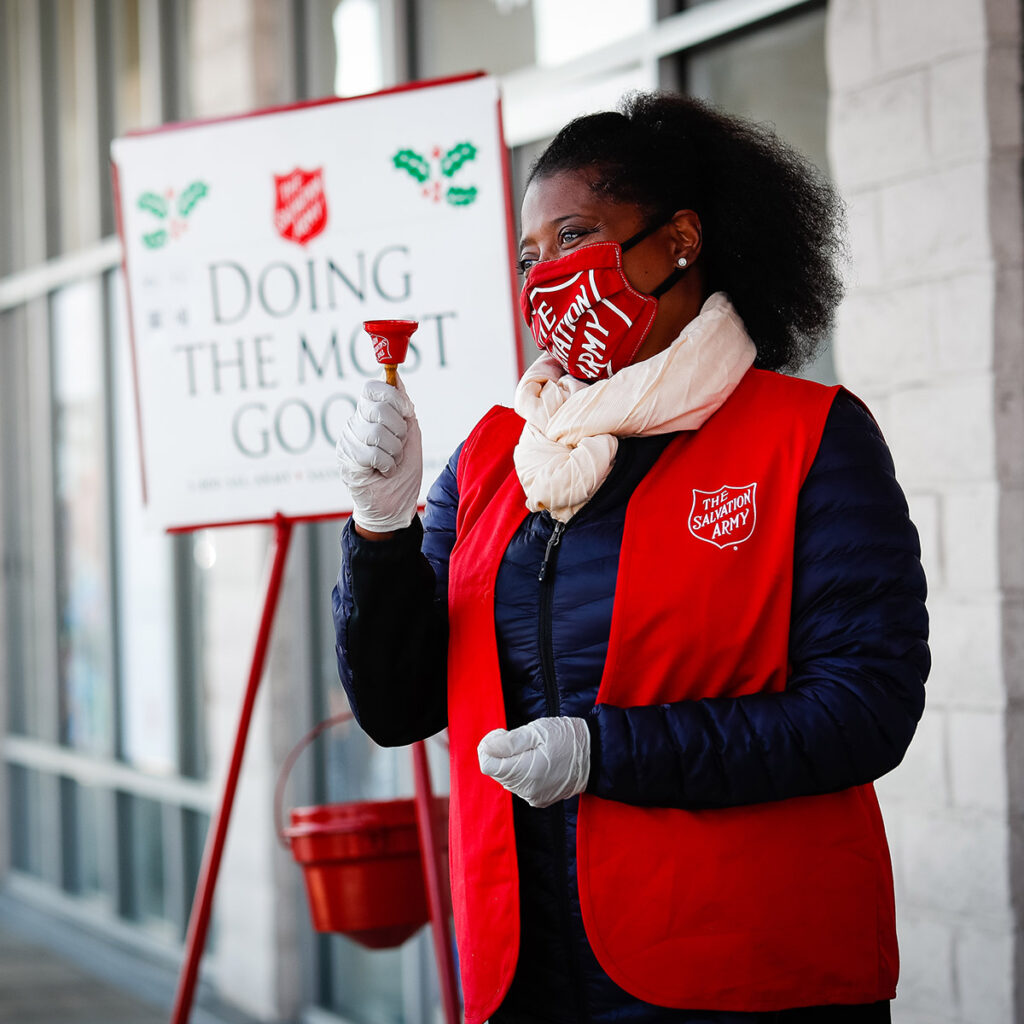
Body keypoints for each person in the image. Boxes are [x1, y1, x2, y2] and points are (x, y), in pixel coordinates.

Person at [332, 91, 929, 1024]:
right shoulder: (495, 454)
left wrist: (602, 753)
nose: (546, 279)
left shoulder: (808, 436)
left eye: (574, 237)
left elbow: (865, 711)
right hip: (526, 969)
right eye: (530, 256)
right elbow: (397, 707)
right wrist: (381, 531)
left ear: (678, 241)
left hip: (742, 971)